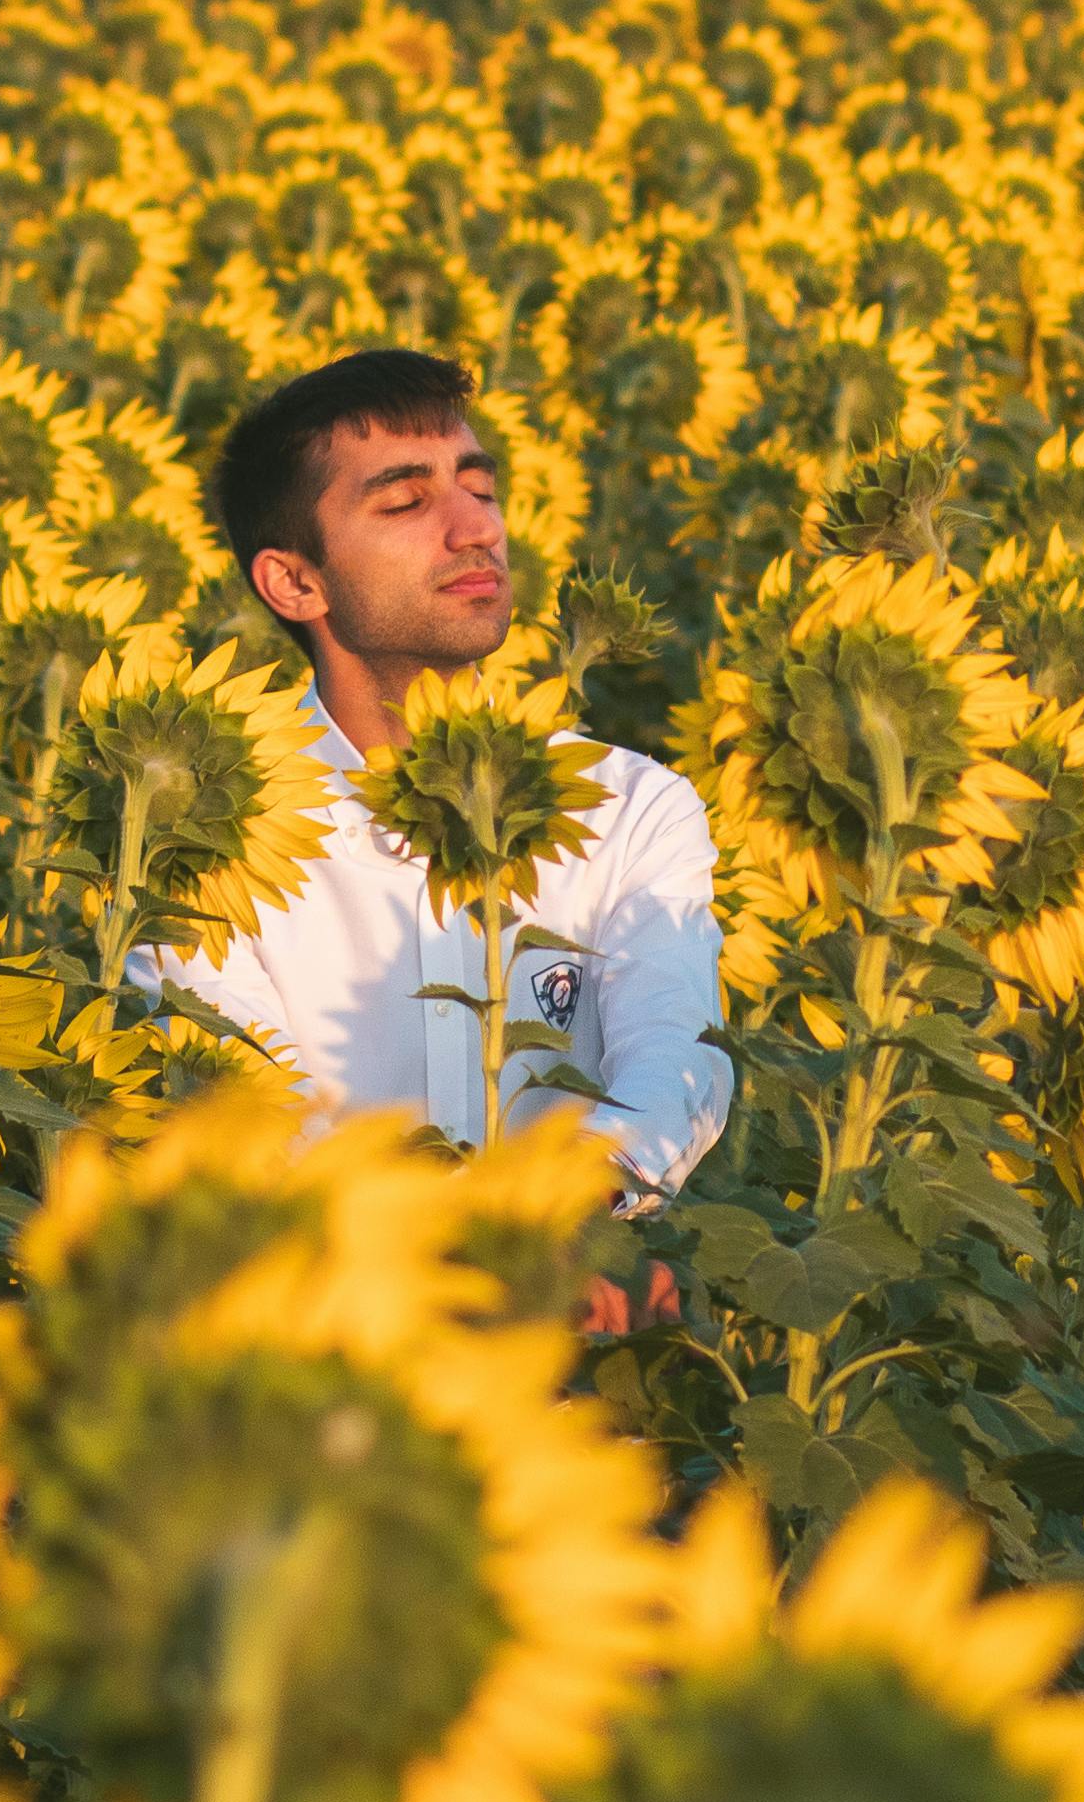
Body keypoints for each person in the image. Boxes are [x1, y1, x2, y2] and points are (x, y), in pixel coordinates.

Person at [148, 345, 733, 1204]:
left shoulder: (628, 811)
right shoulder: (205, 834)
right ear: (294, 582)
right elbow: (256, 1115)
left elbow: (674, 1056)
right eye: (406, 502)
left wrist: (577, 1205)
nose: (475, 530)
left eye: (481, 490)